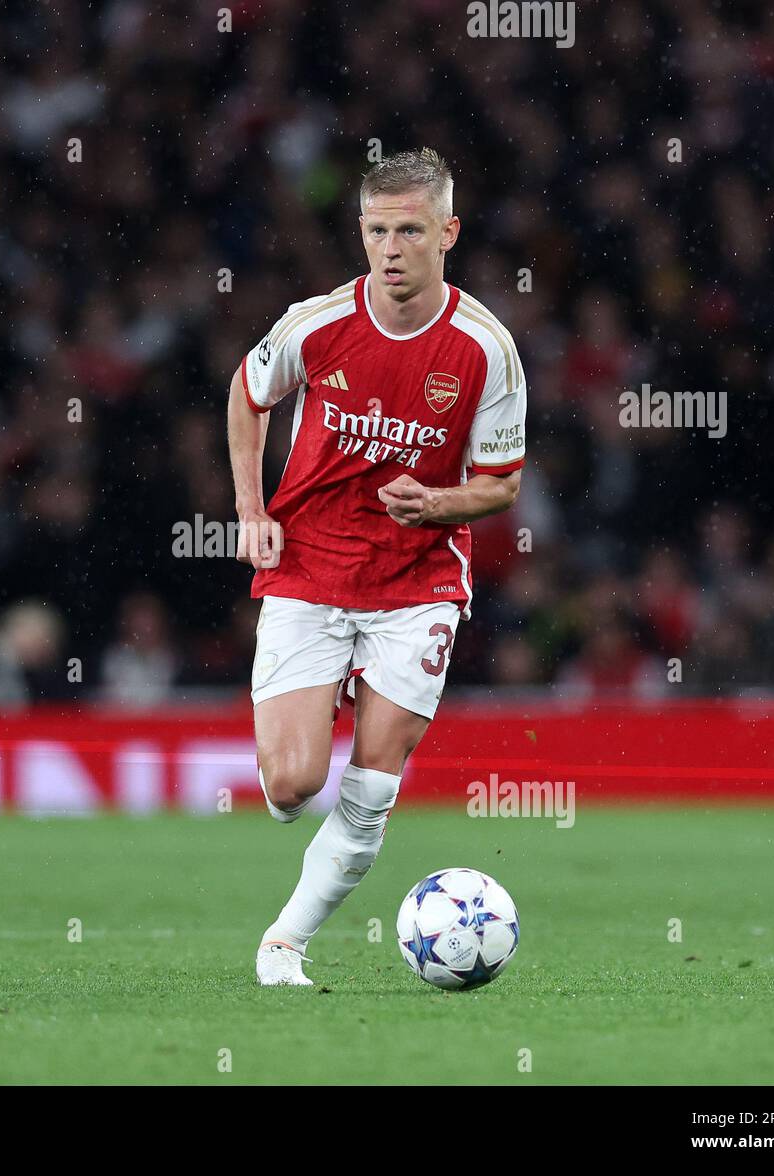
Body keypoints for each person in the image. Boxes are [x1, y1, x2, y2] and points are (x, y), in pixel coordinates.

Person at [225, 149, 528, 985]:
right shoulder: (317, 323)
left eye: (409, 230)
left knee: (371, 787)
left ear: (447, 233)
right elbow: (247, 396)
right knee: (290, 788)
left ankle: (282, 944)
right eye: (376, 230)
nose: (391, 248)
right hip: (311, 566)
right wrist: (253, 509)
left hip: (416, 584)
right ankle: (321, 697)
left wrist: (436, 506)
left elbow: (499, 487)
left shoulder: (485, 350)